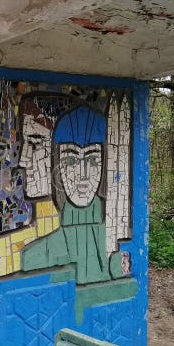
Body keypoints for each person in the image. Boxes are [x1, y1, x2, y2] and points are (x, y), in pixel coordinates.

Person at [20, 105, 126, 284]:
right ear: (56, 164)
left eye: (93, 160)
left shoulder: (114, 245)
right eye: (71, 160)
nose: (82, 175)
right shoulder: (33, 255)